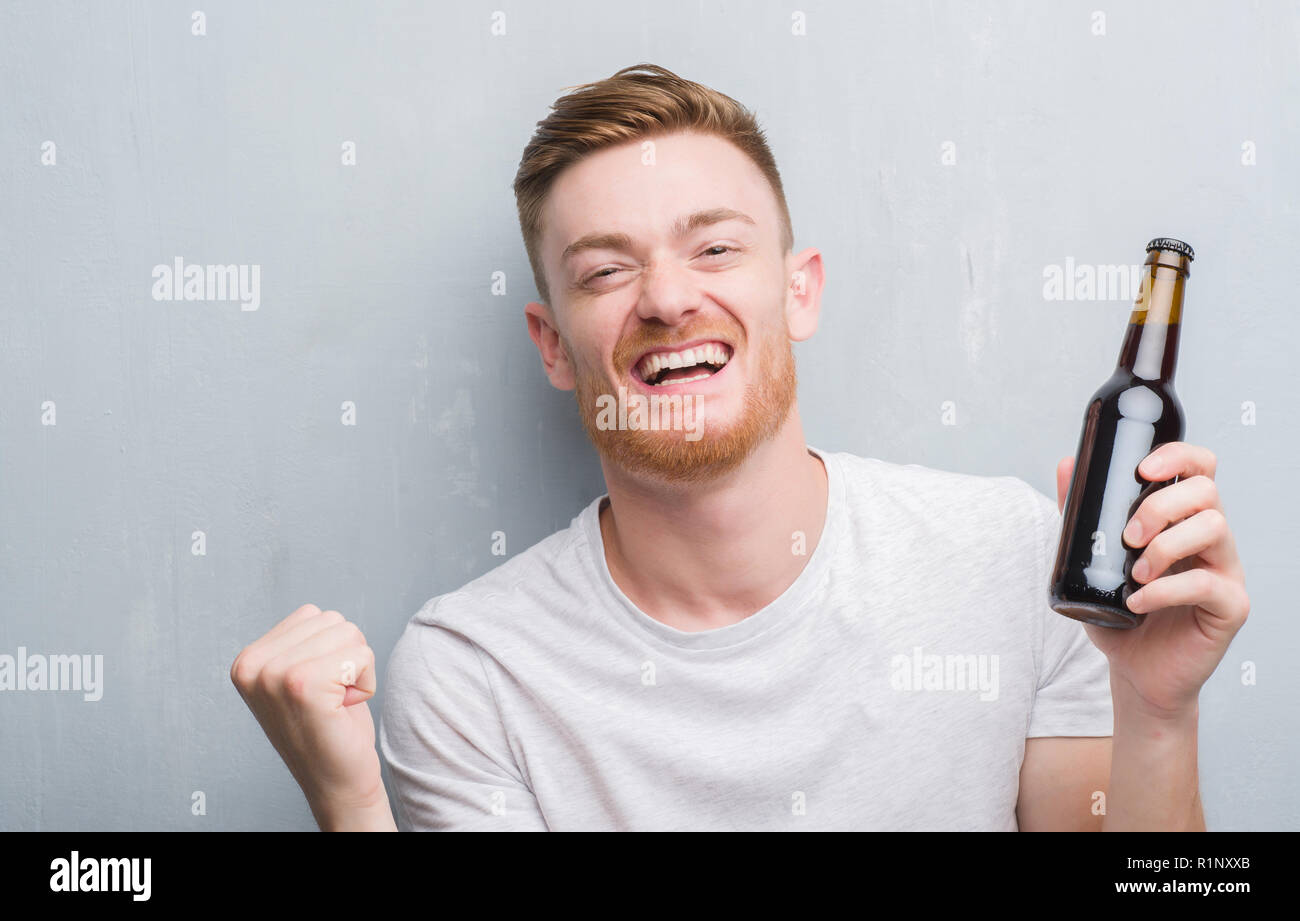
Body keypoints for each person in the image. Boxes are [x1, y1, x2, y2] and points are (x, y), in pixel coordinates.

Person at [230, 64, 1250, 831]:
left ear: (797, 289)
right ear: (551, 346)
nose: (669, 298)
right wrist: (352, 808)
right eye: (604, 272)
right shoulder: (471, 676)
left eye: (714, 247)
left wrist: (1155, 717)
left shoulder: (1013, 557)